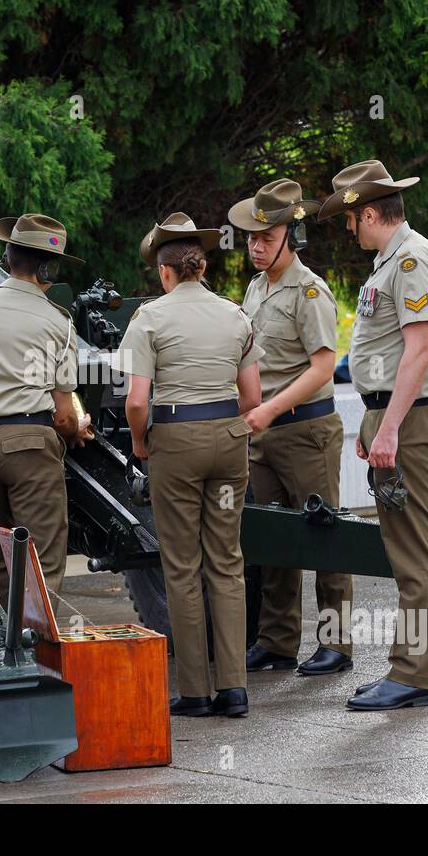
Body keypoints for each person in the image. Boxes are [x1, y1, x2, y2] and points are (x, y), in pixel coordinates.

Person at [316, 160, 428, 711]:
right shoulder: (392, 261)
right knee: (410, 543)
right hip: (395, 416)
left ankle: (411, 674)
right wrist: (374, 422)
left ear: (369, 213)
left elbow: (420, 348)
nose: (349, 230)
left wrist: (390, 426)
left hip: (410, 417)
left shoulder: (411, 259)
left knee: (409, 549)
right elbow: (391, 353)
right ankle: (425, 672)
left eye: (351, 220)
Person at [116, 213, 263, 719]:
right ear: (201, 267)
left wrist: (140, 442)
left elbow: (137, 401)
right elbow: (252, 396)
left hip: (175, 441)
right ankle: (235, 688)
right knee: (226, 561)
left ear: (165, 273)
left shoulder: (149, 319)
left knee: (181, 566)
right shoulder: (234, 315)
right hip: (228, 439)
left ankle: (197, 691)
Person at [229, 179, 354, 676]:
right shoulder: (256, 288)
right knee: (274, 539)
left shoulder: (309, 291)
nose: (256, 247)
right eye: (251, 239)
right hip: (266, 432)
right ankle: (278, 641)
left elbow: (323, 368)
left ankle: (335, 643)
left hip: (306, 431)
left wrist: (269, 410)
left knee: (325, 535)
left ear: (292, 238)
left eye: (266, 237)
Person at [0, 213, 94, 606]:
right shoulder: (56, 321)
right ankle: (40, 657)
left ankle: (6, 653)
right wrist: (75, 428)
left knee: (2, 556)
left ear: (6, 256)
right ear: (50, 266)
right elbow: (63, 414)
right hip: (29, 444)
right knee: (40, 559)